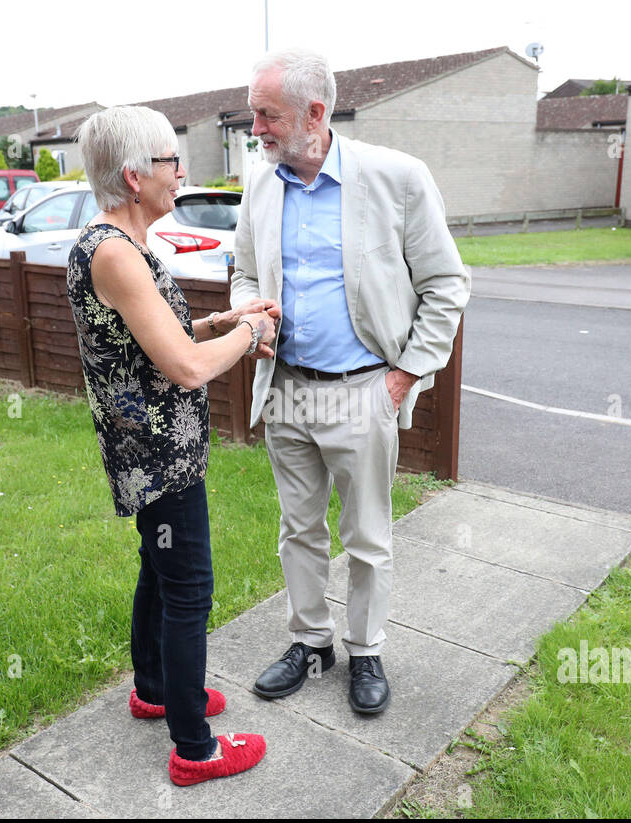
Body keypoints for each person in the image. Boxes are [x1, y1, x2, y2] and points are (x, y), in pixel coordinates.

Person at [231, 50, 470, 715]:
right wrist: (253, 312)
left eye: (266, 114)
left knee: (367, 537)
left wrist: (405, 374)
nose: (256, 128)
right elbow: (245, 272)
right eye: (254, 114)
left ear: (316, 112)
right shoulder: (261, 183)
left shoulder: (397, 177)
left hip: (365, 390)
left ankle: (366, 650)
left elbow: (447, 285)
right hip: (286, 390)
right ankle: (311, 643)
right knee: (298, 529)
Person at [67, 105, 280, 785]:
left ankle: (154, 691)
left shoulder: (120, 245)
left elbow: (161, 338)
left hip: (152, 452)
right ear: (134, 176)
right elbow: (184, 368)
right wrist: (250, 338)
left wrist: (225, 317)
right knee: (188, 590)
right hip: (160, 458)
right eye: (170, 162)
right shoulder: (114, 252)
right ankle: (195, 748)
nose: (181, 172)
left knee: (158, 574)